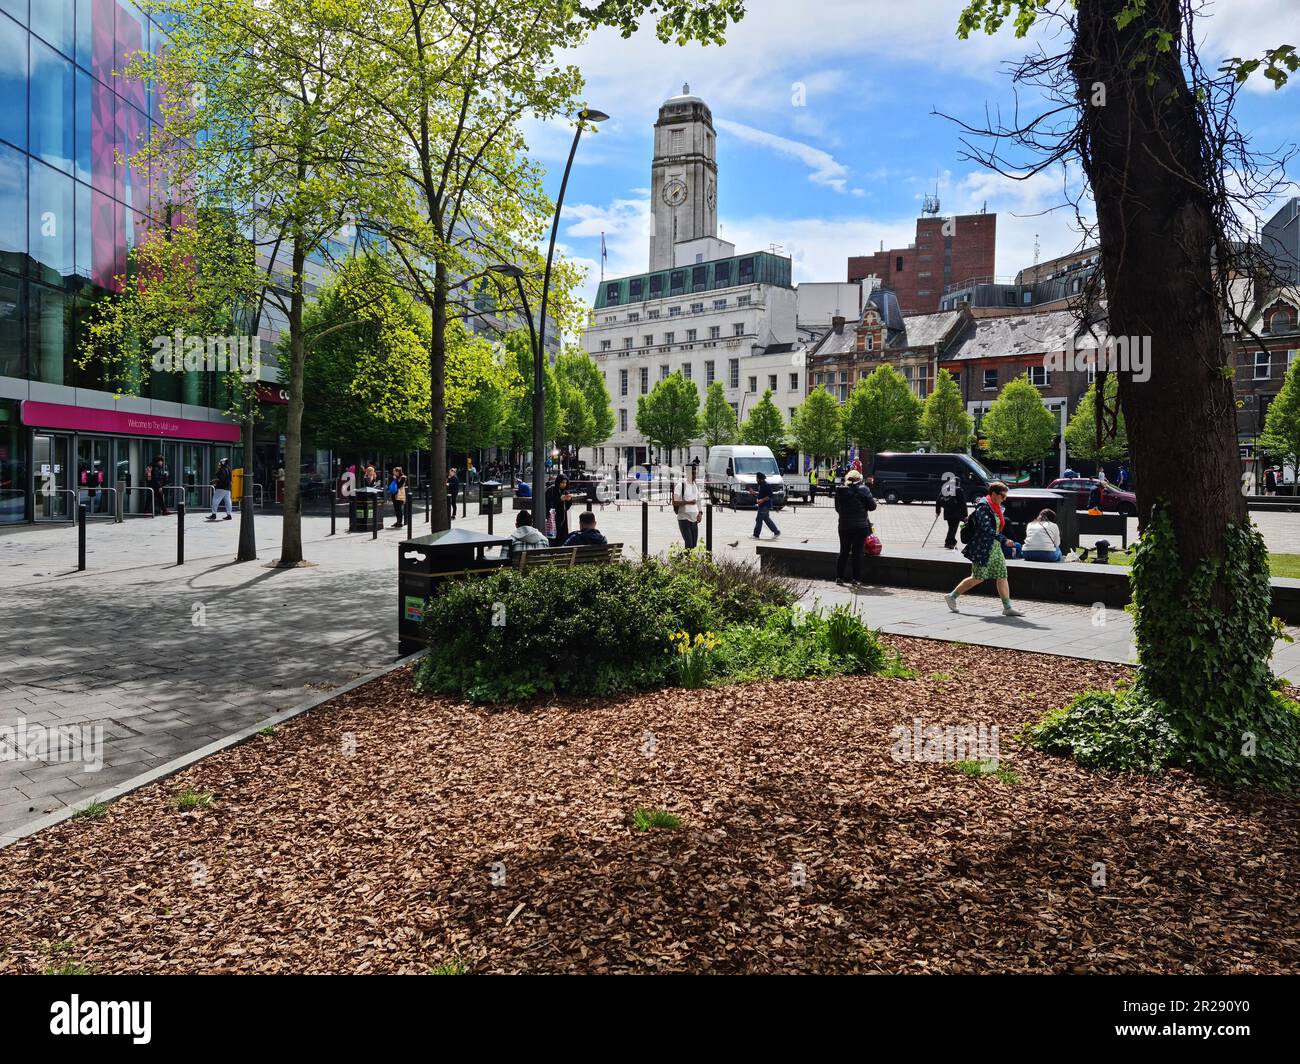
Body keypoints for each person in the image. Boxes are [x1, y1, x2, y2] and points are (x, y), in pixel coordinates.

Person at [943, 481, 1024, 616]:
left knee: (1002, 575)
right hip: (983, 548)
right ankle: (952, 596)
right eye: (1002, 496)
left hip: (995, 547)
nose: (1004, 499)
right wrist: (1004, 540)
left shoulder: (996, 508)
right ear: (993, 494)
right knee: (978, 577)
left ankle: (1007, 607)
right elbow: (986, 529)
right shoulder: (983, 507)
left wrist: (1001, 540)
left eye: (1005, 497)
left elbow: (997, 528)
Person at [834, 469, 876, 586]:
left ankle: (839, 577)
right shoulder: (864, 489)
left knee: (844, 551)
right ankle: (855, 579)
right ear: (859, 479)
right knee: (857, 552)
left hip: (844, 525)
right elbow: (872, 507)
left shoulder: (840, 491)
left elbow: (838, 509)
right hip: (860, 527)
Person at [673, 464, 703, 548]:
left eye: (695, 473)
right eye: (692, 474)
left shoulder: (695, 486)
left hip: (694, 519)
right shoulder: (680, 486)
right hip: (684, 519)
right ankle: (684, 561)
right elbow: (674, 502)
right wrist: (688, 502)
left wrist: (700, 513)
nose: (694, 476)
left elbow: (698, 500)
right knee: (689, 545)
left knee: (694, 545)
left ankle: (682, 560)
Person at [935, 479, 968, 550]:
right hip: (956, 513)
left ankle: (951, 542)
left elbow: (938, 500)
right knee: (953, 528)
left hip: (947, 512)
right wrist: (965, 515)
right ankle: (949, 543)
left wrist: (938, 511)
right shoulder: (958, 490)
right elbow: (963, 503)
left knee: (951, 528)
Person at [750, 470, 780, 540]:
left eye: (757, 479)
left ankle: (756, 535)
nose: (756, 480)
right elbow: (760, 495)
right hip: (762, 505)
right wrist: (754, 493)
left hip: (765, 505)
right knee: (766, 519)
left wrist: (761, 500)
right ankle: (776, 532)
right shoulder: (761, 485)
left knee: (759, 519)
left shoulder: (766, 485)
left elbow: (769, 496)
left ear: (760, 479)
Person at [545, 474, 574, 544]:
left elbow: (567, 507)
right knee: (553, 536)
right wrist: (559, 499)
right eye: (562, 483)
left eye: (565, 483)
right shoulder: (551, 490)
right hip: (553, 517)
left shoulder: (565, 491)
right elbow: (548, 503)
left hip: (563, 518)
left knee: (562, 536)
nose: (564, 485)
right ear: (558, 482)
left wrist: (569, 500)